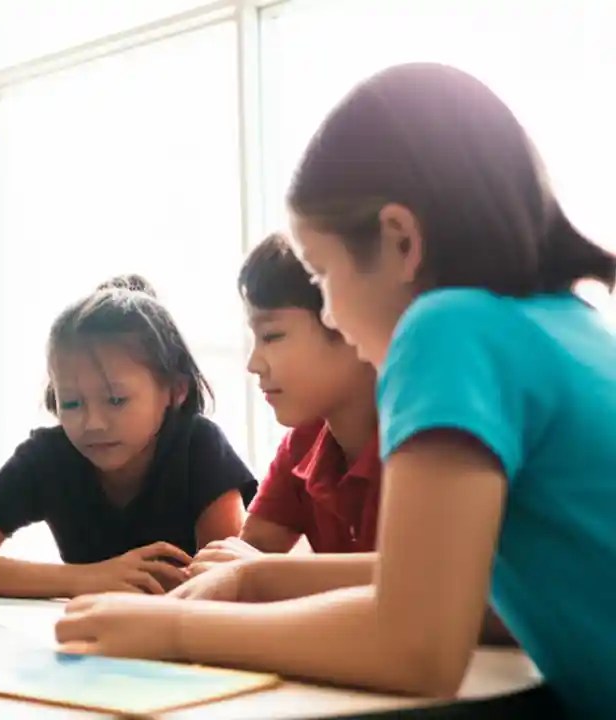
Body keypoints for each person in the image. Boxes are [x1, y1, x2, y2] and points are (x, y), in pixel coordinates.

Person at [56, 63, 616, 716]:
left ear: (401, 241)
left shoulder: (448, 327)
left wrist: (172, 632)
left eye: (321, 276)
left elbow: (415, 647)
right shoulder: (566, 327)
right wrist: (260, 575)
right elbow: (476, 599)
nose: (329, 314)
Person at [0, 275, 257, 598]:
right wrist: (82, 578)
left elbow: (229, 582)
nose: (93, 423)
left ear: (175, 390)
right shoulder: (48, 457)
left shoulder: (198, 447)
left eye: (116, 400)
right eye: (71, 403)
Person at [182, 232, 378, 580]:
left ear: (350, 325)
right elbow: (242, 559)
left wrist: (269, 574)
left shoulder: (425, 440)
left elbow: (425, 583)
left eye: (271, 336)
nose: (254, 363)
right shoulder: (304, 443)